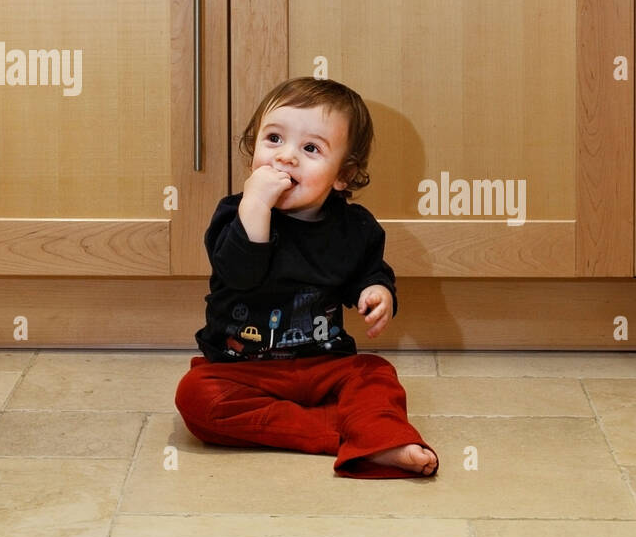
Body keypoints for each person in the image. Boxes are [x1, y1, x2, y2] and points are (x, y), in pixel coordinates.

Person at [174, 77, 438, 479]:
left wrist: (376, 291)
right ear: (253, 152)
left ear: (342, 175)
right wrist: (256, 206)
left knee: (374, 373)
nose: (286, 158)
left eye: (310, 148)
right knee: (196, 398)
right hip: (243, 369)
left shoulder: (354, 228)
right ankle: (356, 436)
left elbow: (368, 270)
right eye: (274, 139)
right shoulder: (234, 214)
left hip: (324, 364)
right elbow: (240, 275)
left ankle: (366, 430)